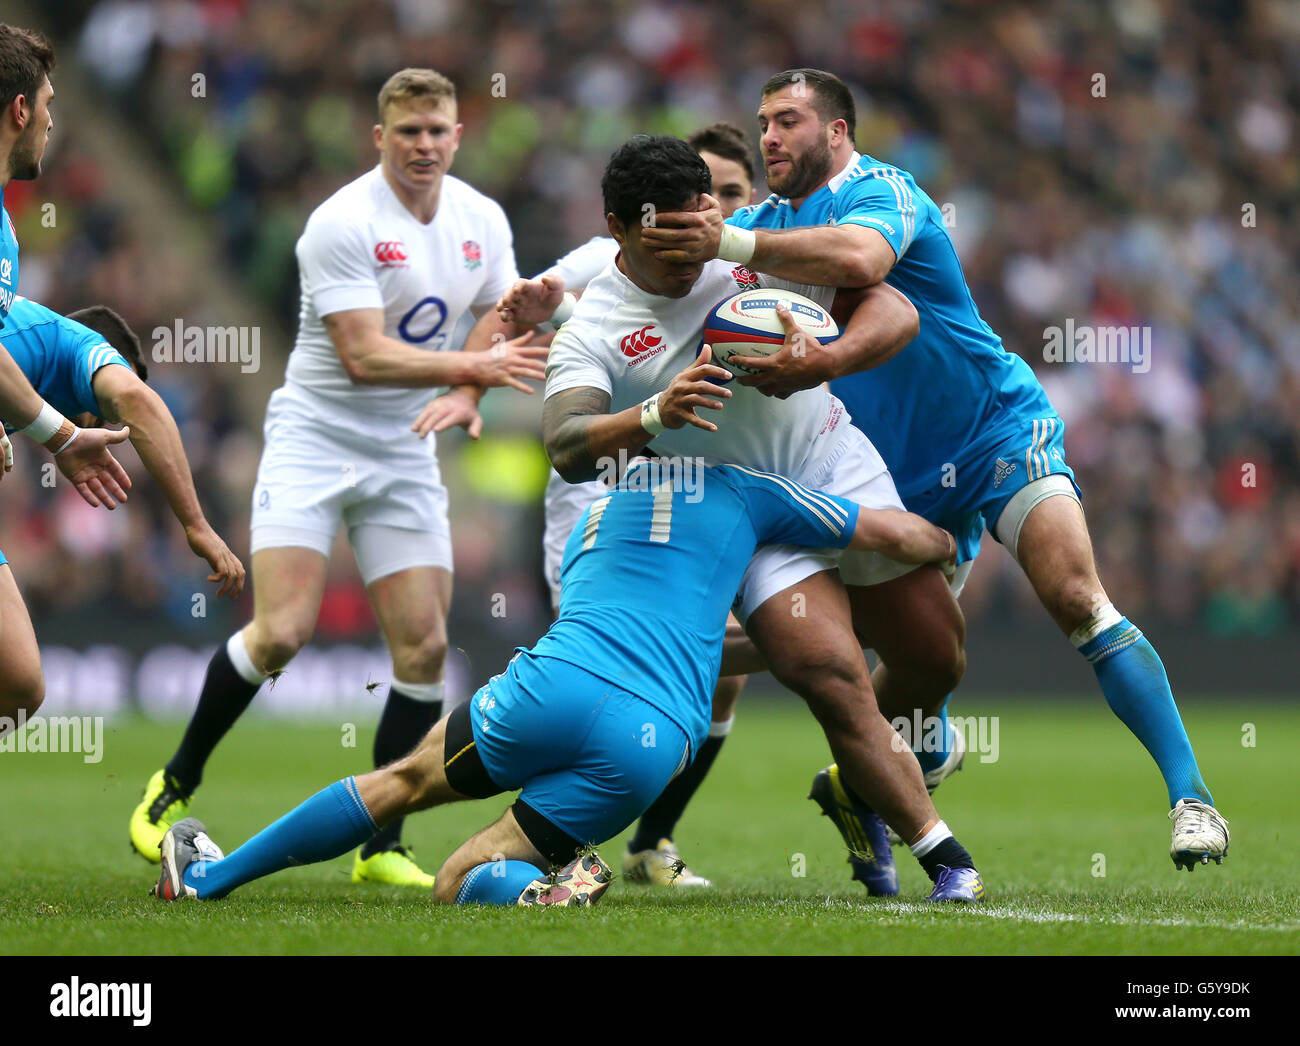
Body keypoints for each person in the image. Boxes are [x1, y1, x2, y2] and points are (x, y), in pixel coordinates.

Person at [641, 68, 1228, 872]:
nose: (768, 136)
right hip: (891, 475)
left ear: (837, 133)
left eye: (786, 121)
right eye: (763, 121)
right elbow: (677, 290)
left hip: (991, 429)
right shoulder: (768, 222)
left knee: (1075, 597)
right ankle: (872, 783)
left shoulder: (884, 192)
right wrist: (568, 303)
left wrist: (733, 241)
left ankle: (1191, 799)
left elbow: (860, 256)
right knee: (902, 668)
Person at [150, 457, 980, 907]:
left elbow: (624, 618)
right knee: (461, 876)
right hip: (654, 738)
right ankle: (545, 886)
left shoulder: (594, 516)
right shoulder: (749, 492)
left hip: (555, 686)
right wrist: (947, 546)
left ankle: (213, 878)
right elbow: (893, 532)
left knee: (401, 784)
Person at [128, 68, 548, 887]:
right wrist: (474, 366)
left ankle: (382, 845)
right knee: (283, 631)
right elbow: (361, 356)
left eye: (438, 131)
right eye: (408, 132)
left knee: (425, 647)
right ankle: (172, 782)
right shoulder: (341, 221)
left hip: (405, 448)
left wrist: (466, 391)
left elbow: (504, 312)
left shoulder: (482, 219)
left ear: (459, 137)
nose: (424, 145)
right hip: (315, 439)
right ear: (379, 138)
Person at [533, 135, 979, 899]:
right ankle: (948, 861)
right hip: (742, 511)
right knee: (829, 673)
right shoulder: (595, 324)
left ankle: (852, 789)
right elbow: (567, 445)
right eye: (660, 238)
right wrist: (651, 412)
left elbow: (897, 310)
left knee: (937, 660)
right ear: (615, 226)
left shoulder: (747, 253)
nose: (684, 257)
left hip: (833, 464)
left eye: (693, 228)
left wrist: (825, 361)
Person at [493, 122, 759, 888]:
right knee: (599, 663)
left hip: (705, 484)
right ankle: (552, 829)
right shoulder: (609, 256)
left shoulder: (747, 257)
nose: (707, 219)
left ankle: (652, 839)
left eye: (733, 197)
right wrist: (542, 309)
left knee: (722, 669)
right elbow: (537, 313)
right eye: (710, 194)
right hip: (600, 484)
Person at [0, 298, 245, 717]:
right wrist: (196, 524)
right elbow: (138, 399)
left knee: (21, 686)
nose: (98, 427)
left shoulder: (28, 385)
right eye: (106, 418)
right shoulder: (75, 346)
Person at [0, 24, 134, 527]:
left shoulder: (6, 223)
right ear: (20, 109)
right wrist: (62, 435)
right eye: (47, 103)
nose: (50, 123)